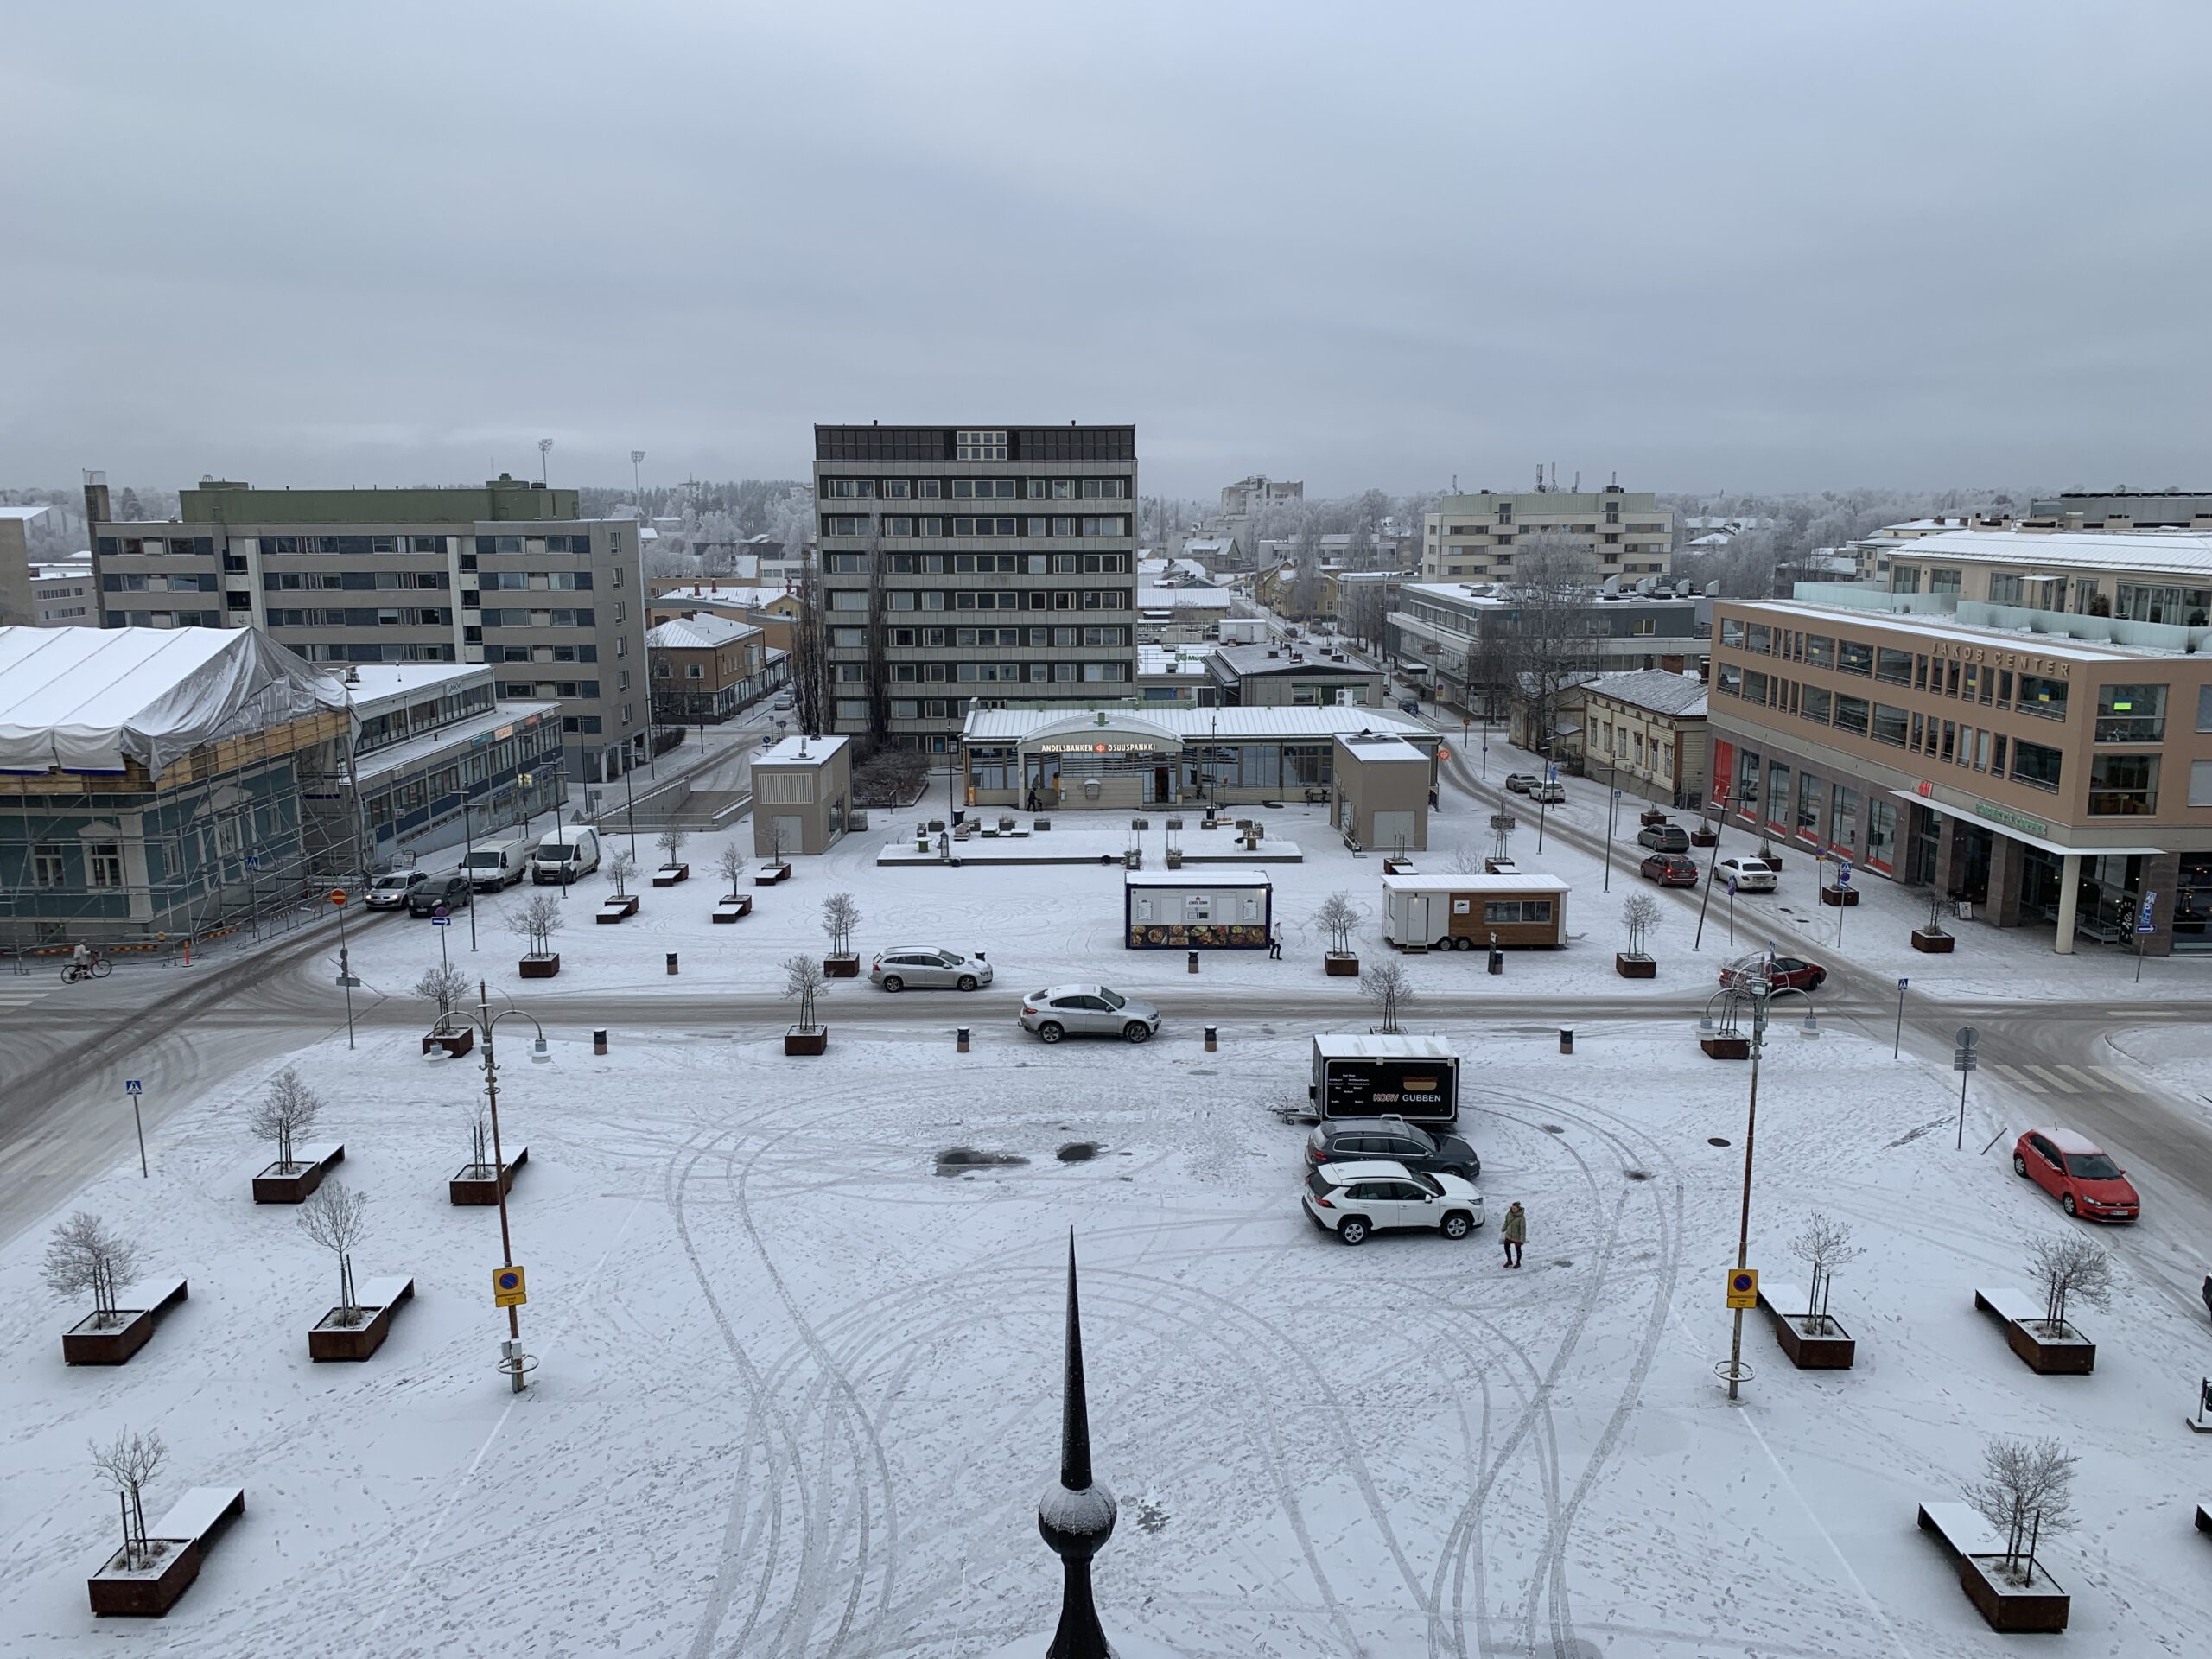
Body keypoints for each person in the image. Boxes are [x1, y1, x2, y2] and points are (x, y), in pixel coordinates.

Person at [1501, 1200, 1525, 1268]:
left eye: (1514, 1209)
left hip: (1517, 1237)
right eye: (1512, 1208)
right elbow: (1506, 1222)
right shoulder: (1509, 1214)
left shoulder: (1521, 1218)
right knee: (1506, 1247)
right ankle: (1509, 1260)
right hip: (1509, 1235)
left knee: (1518, 1249)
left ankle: (1518, 1262)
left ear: (1518, 1209)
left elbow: (1522, 1229)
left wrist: (1522, 1239)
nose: (1513, 1209)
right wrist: (1503, 1229)